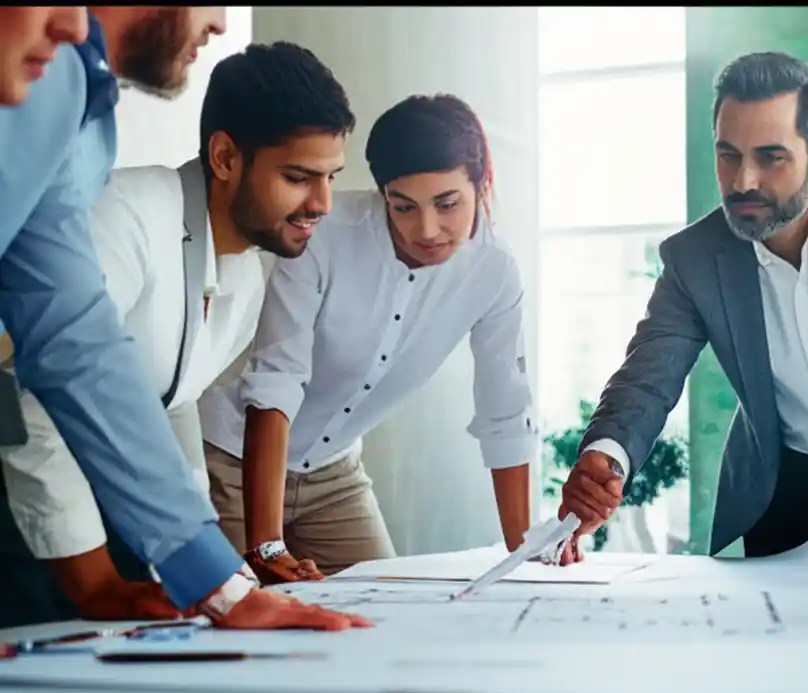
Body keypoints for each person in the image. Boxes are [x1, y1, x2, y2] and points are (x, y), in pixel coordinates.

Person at [0, 6, 368, 630]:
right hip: (35, 511)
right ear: (225, 158)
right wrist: (100, 582)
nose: (323, 203)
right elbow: (45, 379)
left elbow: (133, 382)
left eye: (331, 178)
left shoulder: (77, 112)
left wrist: (220, 577)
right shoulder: (123, 209)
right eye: (299, 177)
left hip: (99, 517)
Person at [555, 51, 808, 564]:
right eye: (729, 155)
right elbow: (648, 377)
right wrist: (606, 459)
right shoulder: (694, 258)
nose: (743, 181)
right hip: (783, 489)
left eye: (771, 157)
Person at [198, 93, 537, 583]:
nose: (426, 229)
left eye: (447, 204)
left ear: (481, 183)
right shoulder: (324, 234)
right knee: (239, 610)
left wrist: (525, 558)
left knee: (384, 610)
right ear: (383, 194)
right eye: (403, 206)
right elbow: (277, 379)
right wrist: (267, 545)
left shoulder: (495, 272)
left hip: (334, 477)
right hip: (233, 462)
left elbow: (505, 412)